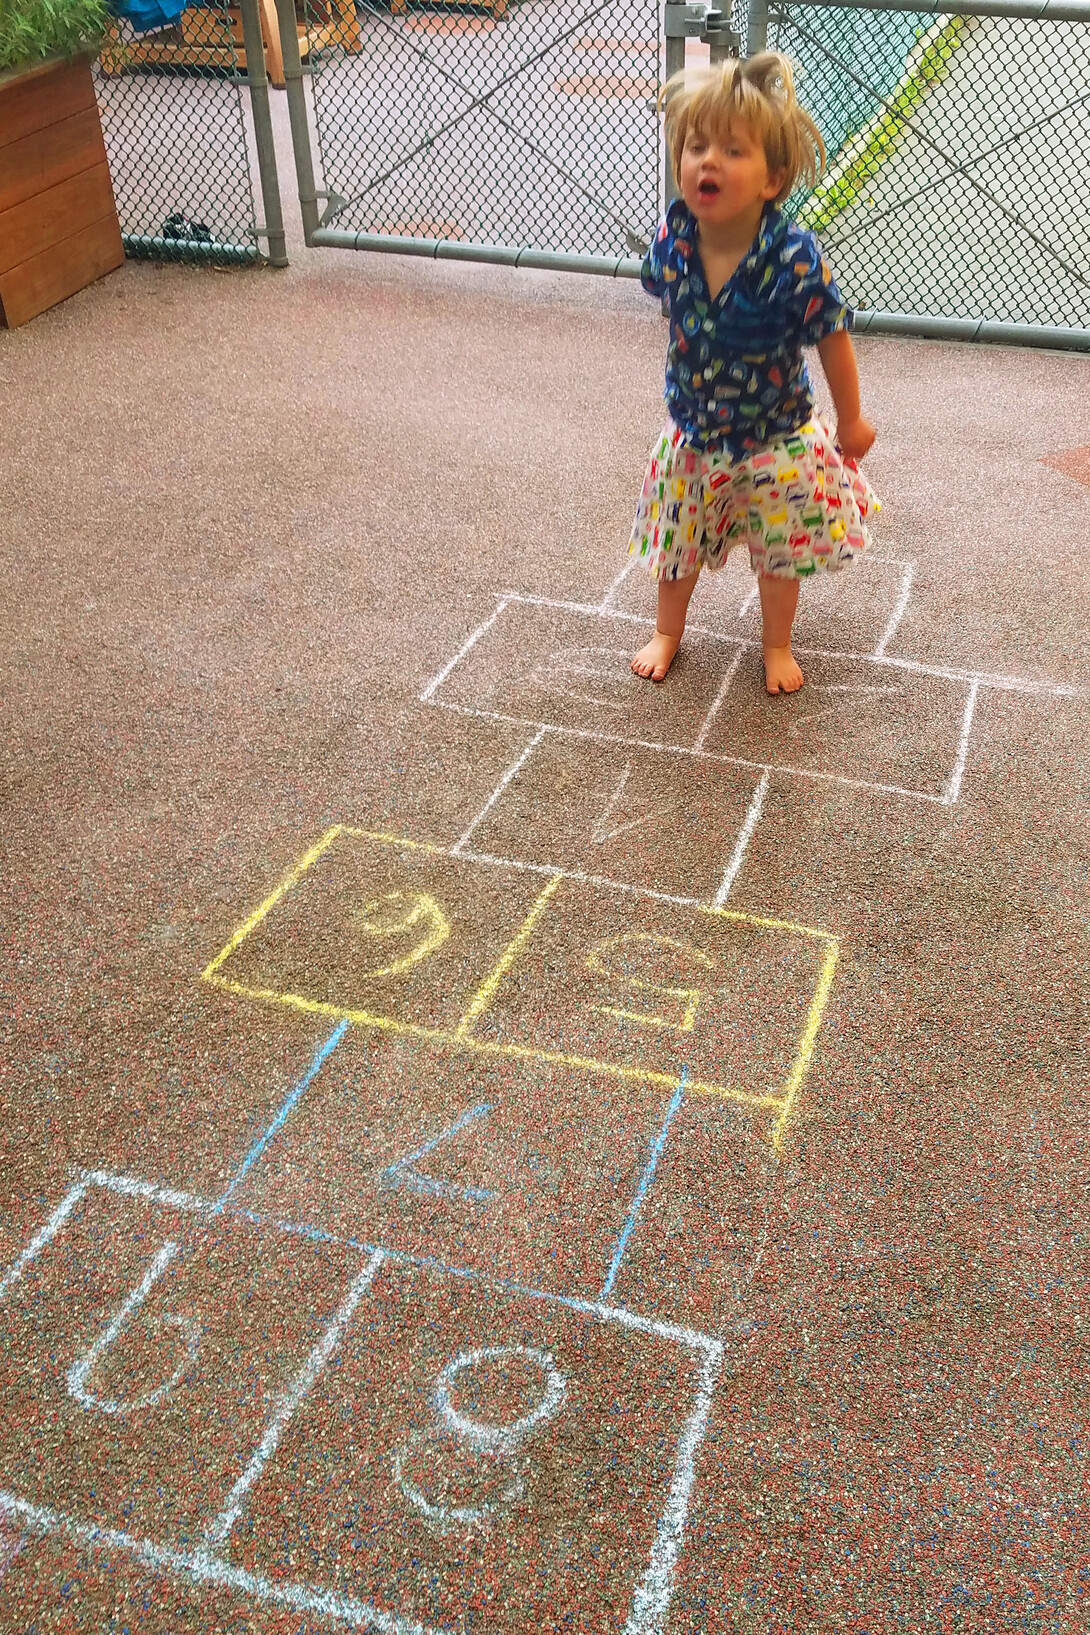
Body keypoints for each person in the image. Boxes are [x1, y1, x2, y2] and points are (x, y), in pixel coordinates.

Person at [628, 53, 878, 694]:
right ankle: (668, 630)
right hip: (694, 428)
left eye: (733, 150)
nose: (707, 161)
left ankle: (776, 643)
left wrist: (850, 419)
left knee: (781, 549)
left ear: (774, 179)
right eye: (695, 145)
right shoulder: (673, 238)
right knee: (678, 540)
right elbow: (675, 310)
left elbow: (831, 333)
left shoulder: (792, 256)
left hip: (776, 434)